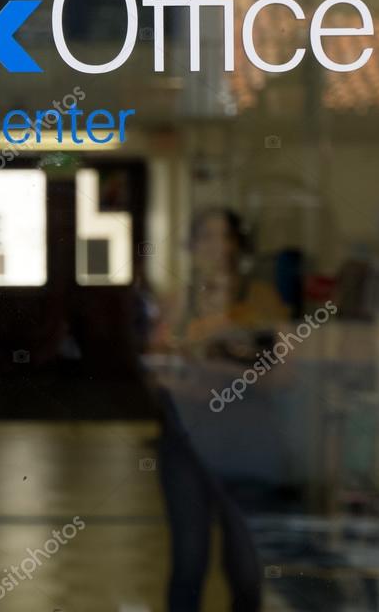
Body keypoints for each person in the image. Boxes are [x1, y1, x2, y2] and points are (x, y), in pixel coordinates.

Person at [146, 208, 288, 612]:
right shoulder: (178, 304)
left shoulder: (262, 301)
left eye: (227, 238)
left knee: (245, 567)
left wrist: (212, 367)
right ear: (192, 248)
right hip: (188, 444)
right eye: (207, 237)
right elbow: (160, 375)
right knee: (189, 562)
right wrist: (215, 372)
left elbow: (283, 377)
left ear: (239, 247)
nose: (218, 247)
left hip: (246, 443)